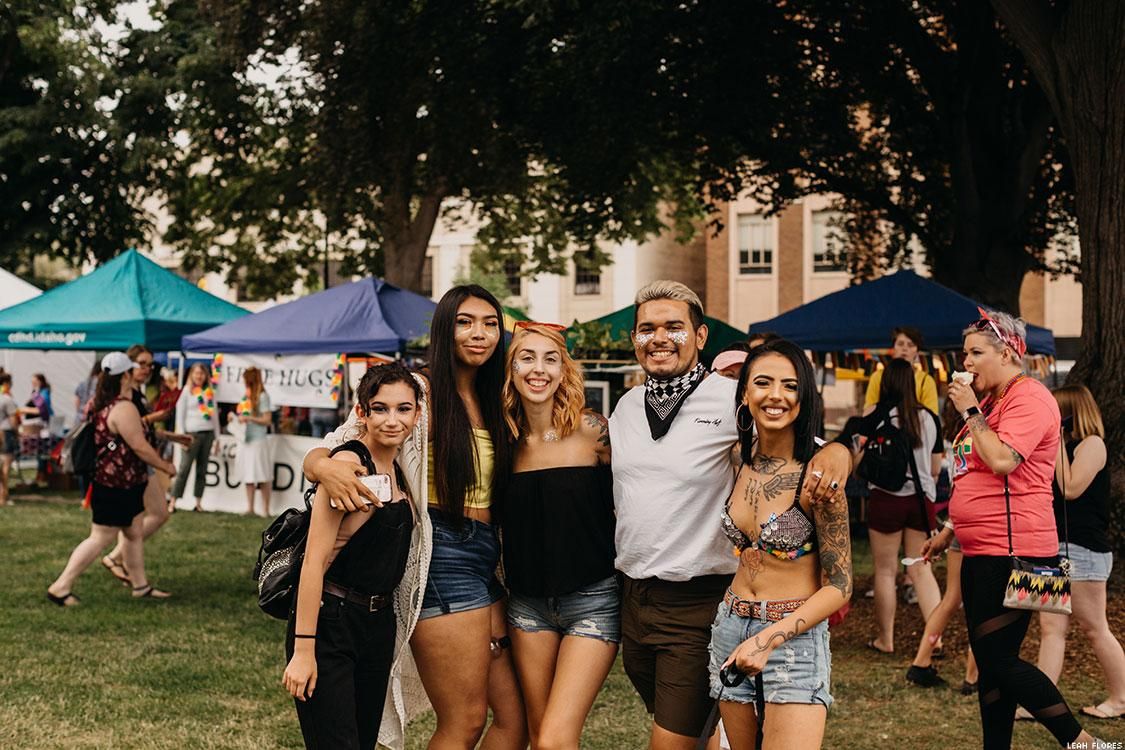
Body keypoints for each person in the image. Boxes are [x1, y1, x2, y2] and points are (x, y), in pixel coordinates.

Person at [609, 280, 852, 749]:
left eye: (674, 327)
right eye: (647, 329)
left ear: (701, 337)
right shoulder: (626, 408)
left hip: (705, 603)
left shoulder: (727, 398)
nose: (659, 337)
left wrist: (841, 451)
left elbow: (814, 453)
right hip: (660, 607)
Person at [303, 285, 527, 750]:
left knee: (513, 721)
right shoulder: (419, 391)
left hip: (489, 559)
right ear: (445, 328)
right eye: (465, 322)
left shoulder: (497, 398)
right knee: (464, 722)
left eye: (489, 323)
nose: (479, 334)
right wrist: (323, 467)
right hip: (442, 553)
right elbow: (342, 441)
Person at [924, 308, 1098, 749]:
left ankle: (1081, 742)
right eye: (965, 353)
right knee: (991, 661)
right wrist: (951, 526)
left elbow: (1002, 460)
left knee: (997, 661)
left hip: (1019, 551)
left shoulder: (1031, 398)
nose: (966, 363)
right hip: (984, 549)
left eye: (976, 353)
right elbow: (973, 475)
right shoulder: (996, 401)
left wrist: (970, 411)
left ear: (1008, 353)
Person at [709, 339, 852, 749]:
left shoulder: (818, 478)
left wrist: (770, 638)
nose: (776, 396)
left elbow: (841, 585)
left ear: (804, 398)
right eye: (763, 383)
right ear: (744, 394)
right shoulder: (737, 458)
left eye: (790, 386)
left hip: (793, 636)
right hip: (730, 626)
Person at [282, 363, 427, 749]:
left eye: (403, 408)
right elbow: (314, 561)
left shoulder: (399, 468)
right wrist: (303, 651)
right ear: (361, 412)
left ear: (417, 414)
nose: (392, 420)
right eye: (380, 408)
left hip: (377, 627)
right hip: (332, 624)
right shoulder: (347, 464)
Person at [499, 323, 616, 748]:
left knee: (553, 739)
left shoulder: (594, 432)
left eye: (551, 359)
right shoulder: (503, 442)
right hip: (527, 604)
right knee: (537, 733)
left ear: (564, 371)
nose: (539, 369)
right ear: (511, 369)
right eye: (527, 358)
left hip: (593, 600)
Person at [45, 353, 178, 606]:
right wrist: (164, 465)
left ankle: (140, 586)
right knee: (100, 537)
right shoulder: (123, 407)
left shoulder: (104, 403)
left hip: (121, 482)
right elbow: (139, 446)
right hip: (116, 483)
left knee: (133, 532)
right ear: (125, 375)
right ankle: (61, 586)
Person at [1028, 385, 1125, 721]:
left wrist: (1054, 440)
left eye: (1053, 411)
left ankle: (1121, 698)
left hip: (1082, 549)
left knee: (1094, 627)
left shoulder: (1092, 444)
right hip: (1050, 546)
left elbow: (1071, 488)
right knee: (1050, 629)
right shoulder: (1060, 447)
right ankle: (1041, 702)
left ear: (1068, 413)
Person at [839, 358, 943, 654]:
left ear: (884, 384)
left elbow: (856, 458)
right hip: (923, 501)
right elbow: (936, 468)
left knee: (885, 572)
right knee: (921, 570)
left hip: (886, 499)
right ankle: (936, 639)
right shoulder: (929, 418)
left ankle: (886, 639)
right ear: (912, 384)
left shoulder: (875, 417)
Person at [100, 345, 190, 585]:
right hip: (131, 464)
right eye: (142, 363)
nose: (147, 369)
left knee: (138, 522)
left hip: (136, 463)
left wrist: (172, 436)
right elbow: (133, 430)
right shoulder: (124, 396)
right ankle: (115, 563)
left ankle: (135, 579)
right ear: (128, 367)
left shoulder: (136, 393)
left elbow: (142, 430)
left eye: (150, 364)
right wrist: (156, 419)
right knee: (142, 520)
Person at [170, 363, 221, 512]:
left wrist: (217, 438)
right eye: (196, 373)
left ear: (206, 376)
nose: (199, 376)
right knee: (184, 468)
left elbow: (214, 417)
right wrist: (181, 436)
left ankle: (198, 502)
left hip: (208, 433)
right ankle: (173, 501)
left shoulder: (209, 392)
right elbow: (180, 415)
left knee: (202, 469)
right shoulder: (187, 391)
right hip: (191, 434)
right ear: (191, 375)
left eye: (202, 373)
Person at [863, 327, 939, 414]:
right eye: (900, 344)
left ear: (917, 352)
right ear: (893, 348)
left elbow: (932, 416)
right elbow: (868, 412)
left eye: (911, 345)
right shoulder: (878, 377)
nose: (905, 349)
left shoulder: (926, 381)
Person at [235, 367, 273, 516]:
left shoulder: (262, 396)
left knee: (263, 475)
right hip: (246, 439)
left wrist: (250, 418)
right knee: (248, 475)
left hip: (258, 440)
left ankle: (266, 509)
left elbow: (267, 419)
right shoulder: (246, 396)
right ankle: (250, 507)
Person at [0, 373, 18, 506]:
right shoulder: (7, 399)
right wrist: (17, 433)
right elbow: (13, 421)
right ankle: (4, 496)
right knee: (5, 467)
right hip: (5, 434)